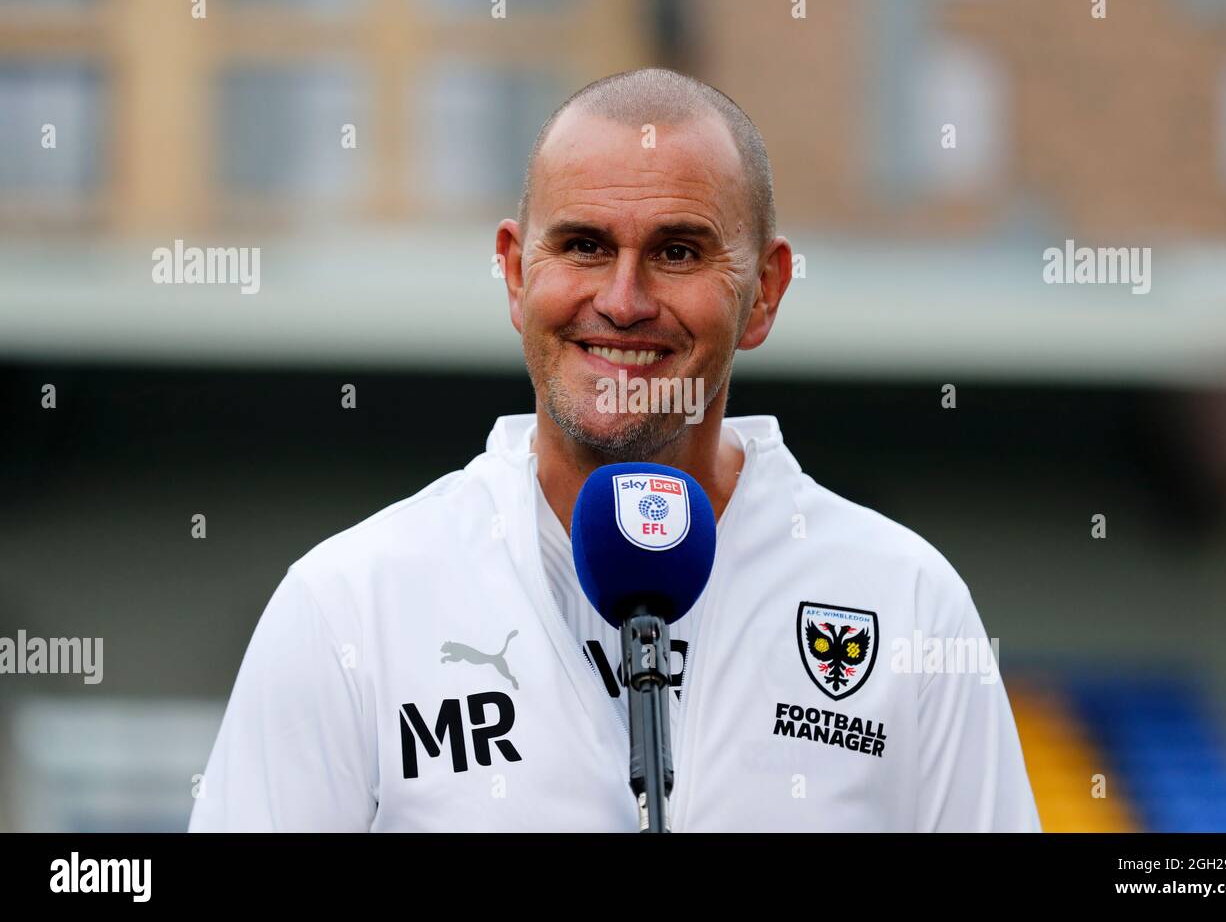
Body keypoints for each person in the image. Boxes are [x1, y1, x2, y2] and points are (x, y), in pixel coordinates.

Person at [189, 68, 1040, 832]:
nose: (624, 301)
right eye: (585, 246)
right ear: (516, 274)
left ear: (764, 294)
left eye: (677, 251)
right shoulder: (349, 606)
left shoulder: (906, 601)